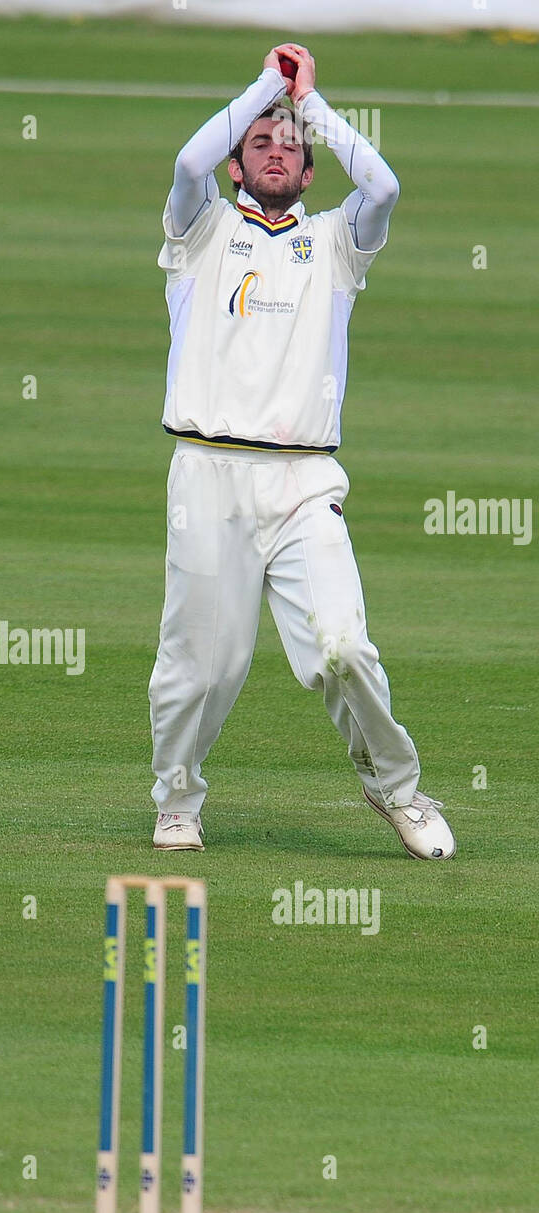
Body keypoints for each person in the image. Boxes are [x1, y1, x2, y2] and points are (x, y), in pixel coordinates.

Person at [148, 42, 455, 861]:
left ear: (311, 170)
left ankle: (398, 791)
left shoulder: (337, 247)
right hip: (207, 475)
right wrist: (266, 89)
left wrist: (306, 104)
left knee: (344, 647)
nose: (277, 148)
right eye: (259, 143)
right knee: (204, 669)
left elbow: (384, 186)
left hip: (304, 481)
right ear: (238, 166)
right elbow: (186, 159)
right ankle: (177, 801)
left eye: (290, 145)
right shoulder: (198, 230)